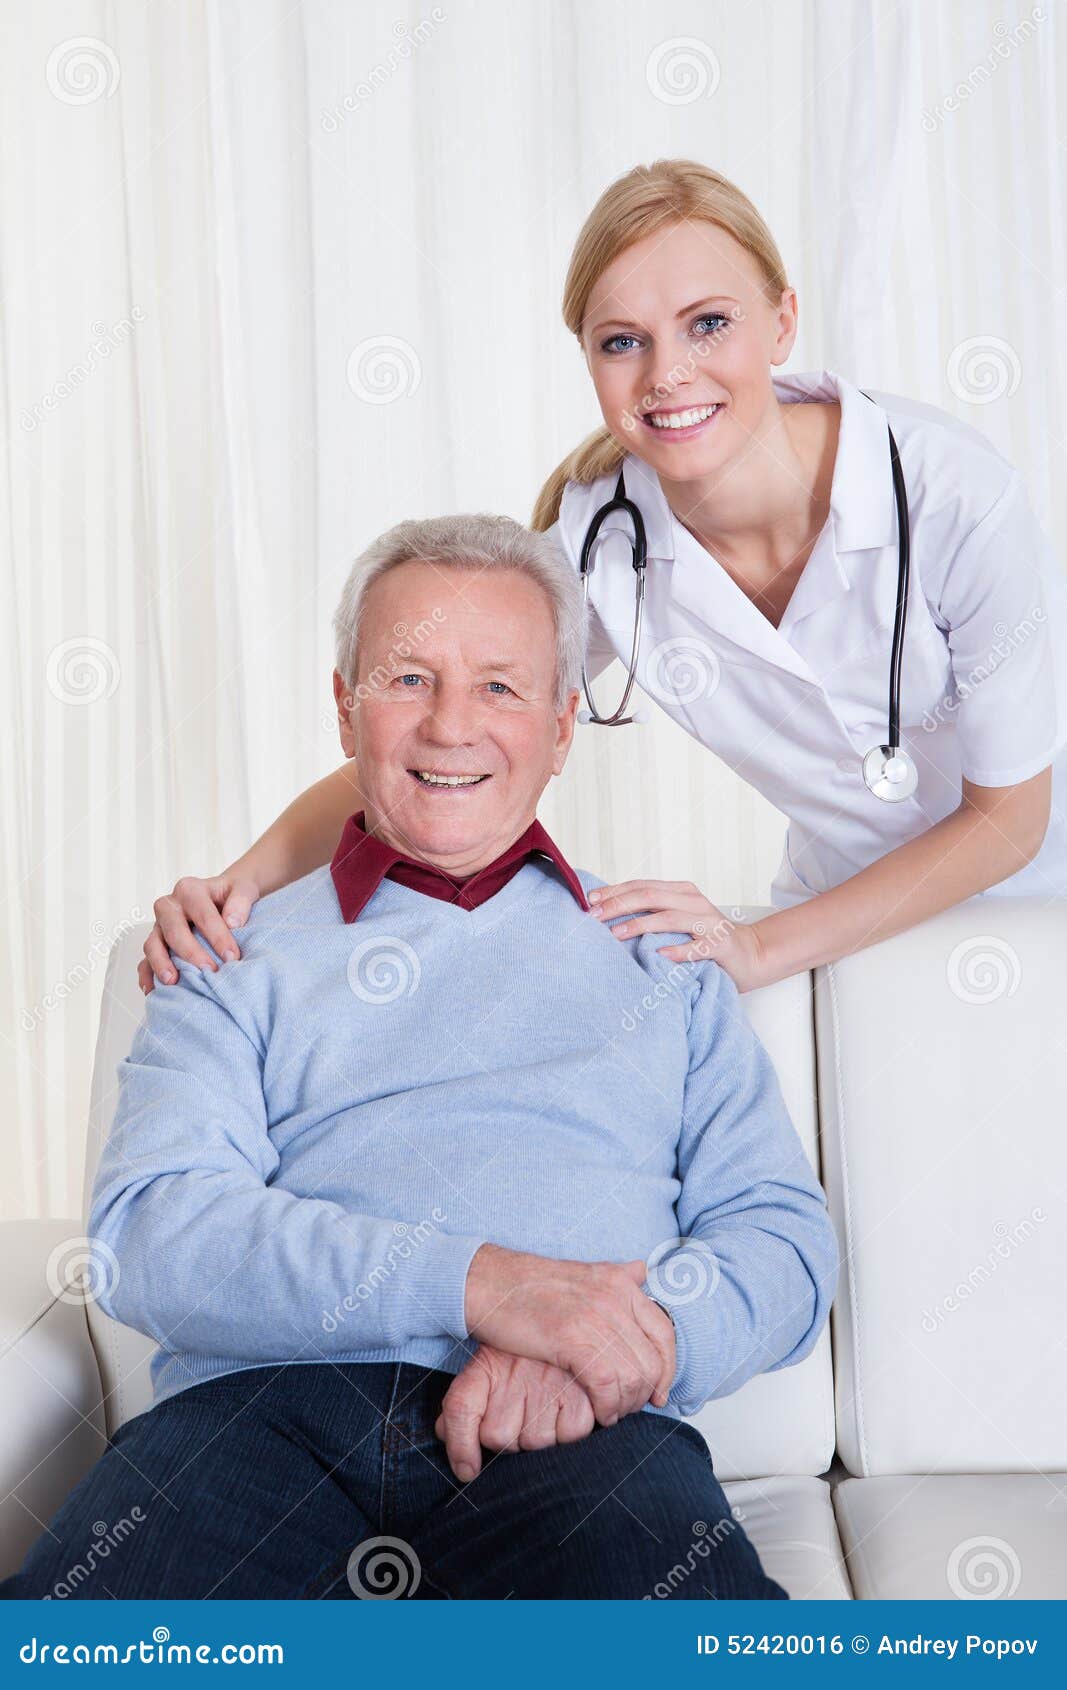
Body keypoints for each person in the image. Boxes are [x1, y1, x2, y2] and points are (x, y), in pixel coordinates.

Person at [4, 513, 837, 1600]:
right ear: (343, 707)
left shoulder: (665, 964)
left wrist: (613, 1345)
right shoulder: (224, 954)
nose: (452, 726)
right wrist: (487, 1285)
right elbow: (154, 1231)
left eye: (499, 686)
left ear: (560, 725)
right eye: (408, 678)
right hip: (256, 1426)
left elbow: (781, 1245)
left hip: (577, 1433)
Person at [135, 161, 1067, 998]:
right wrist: (238, 886)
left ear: (781, 321)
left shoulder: (949, 496)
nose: (668, 374)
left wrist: (760, 948)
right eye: (623, 341)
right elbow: (447, 740)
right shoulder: (596, 541)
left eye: (708, 324)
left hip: (1035, 905)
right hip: (834, 932)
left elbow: (1009, 820)